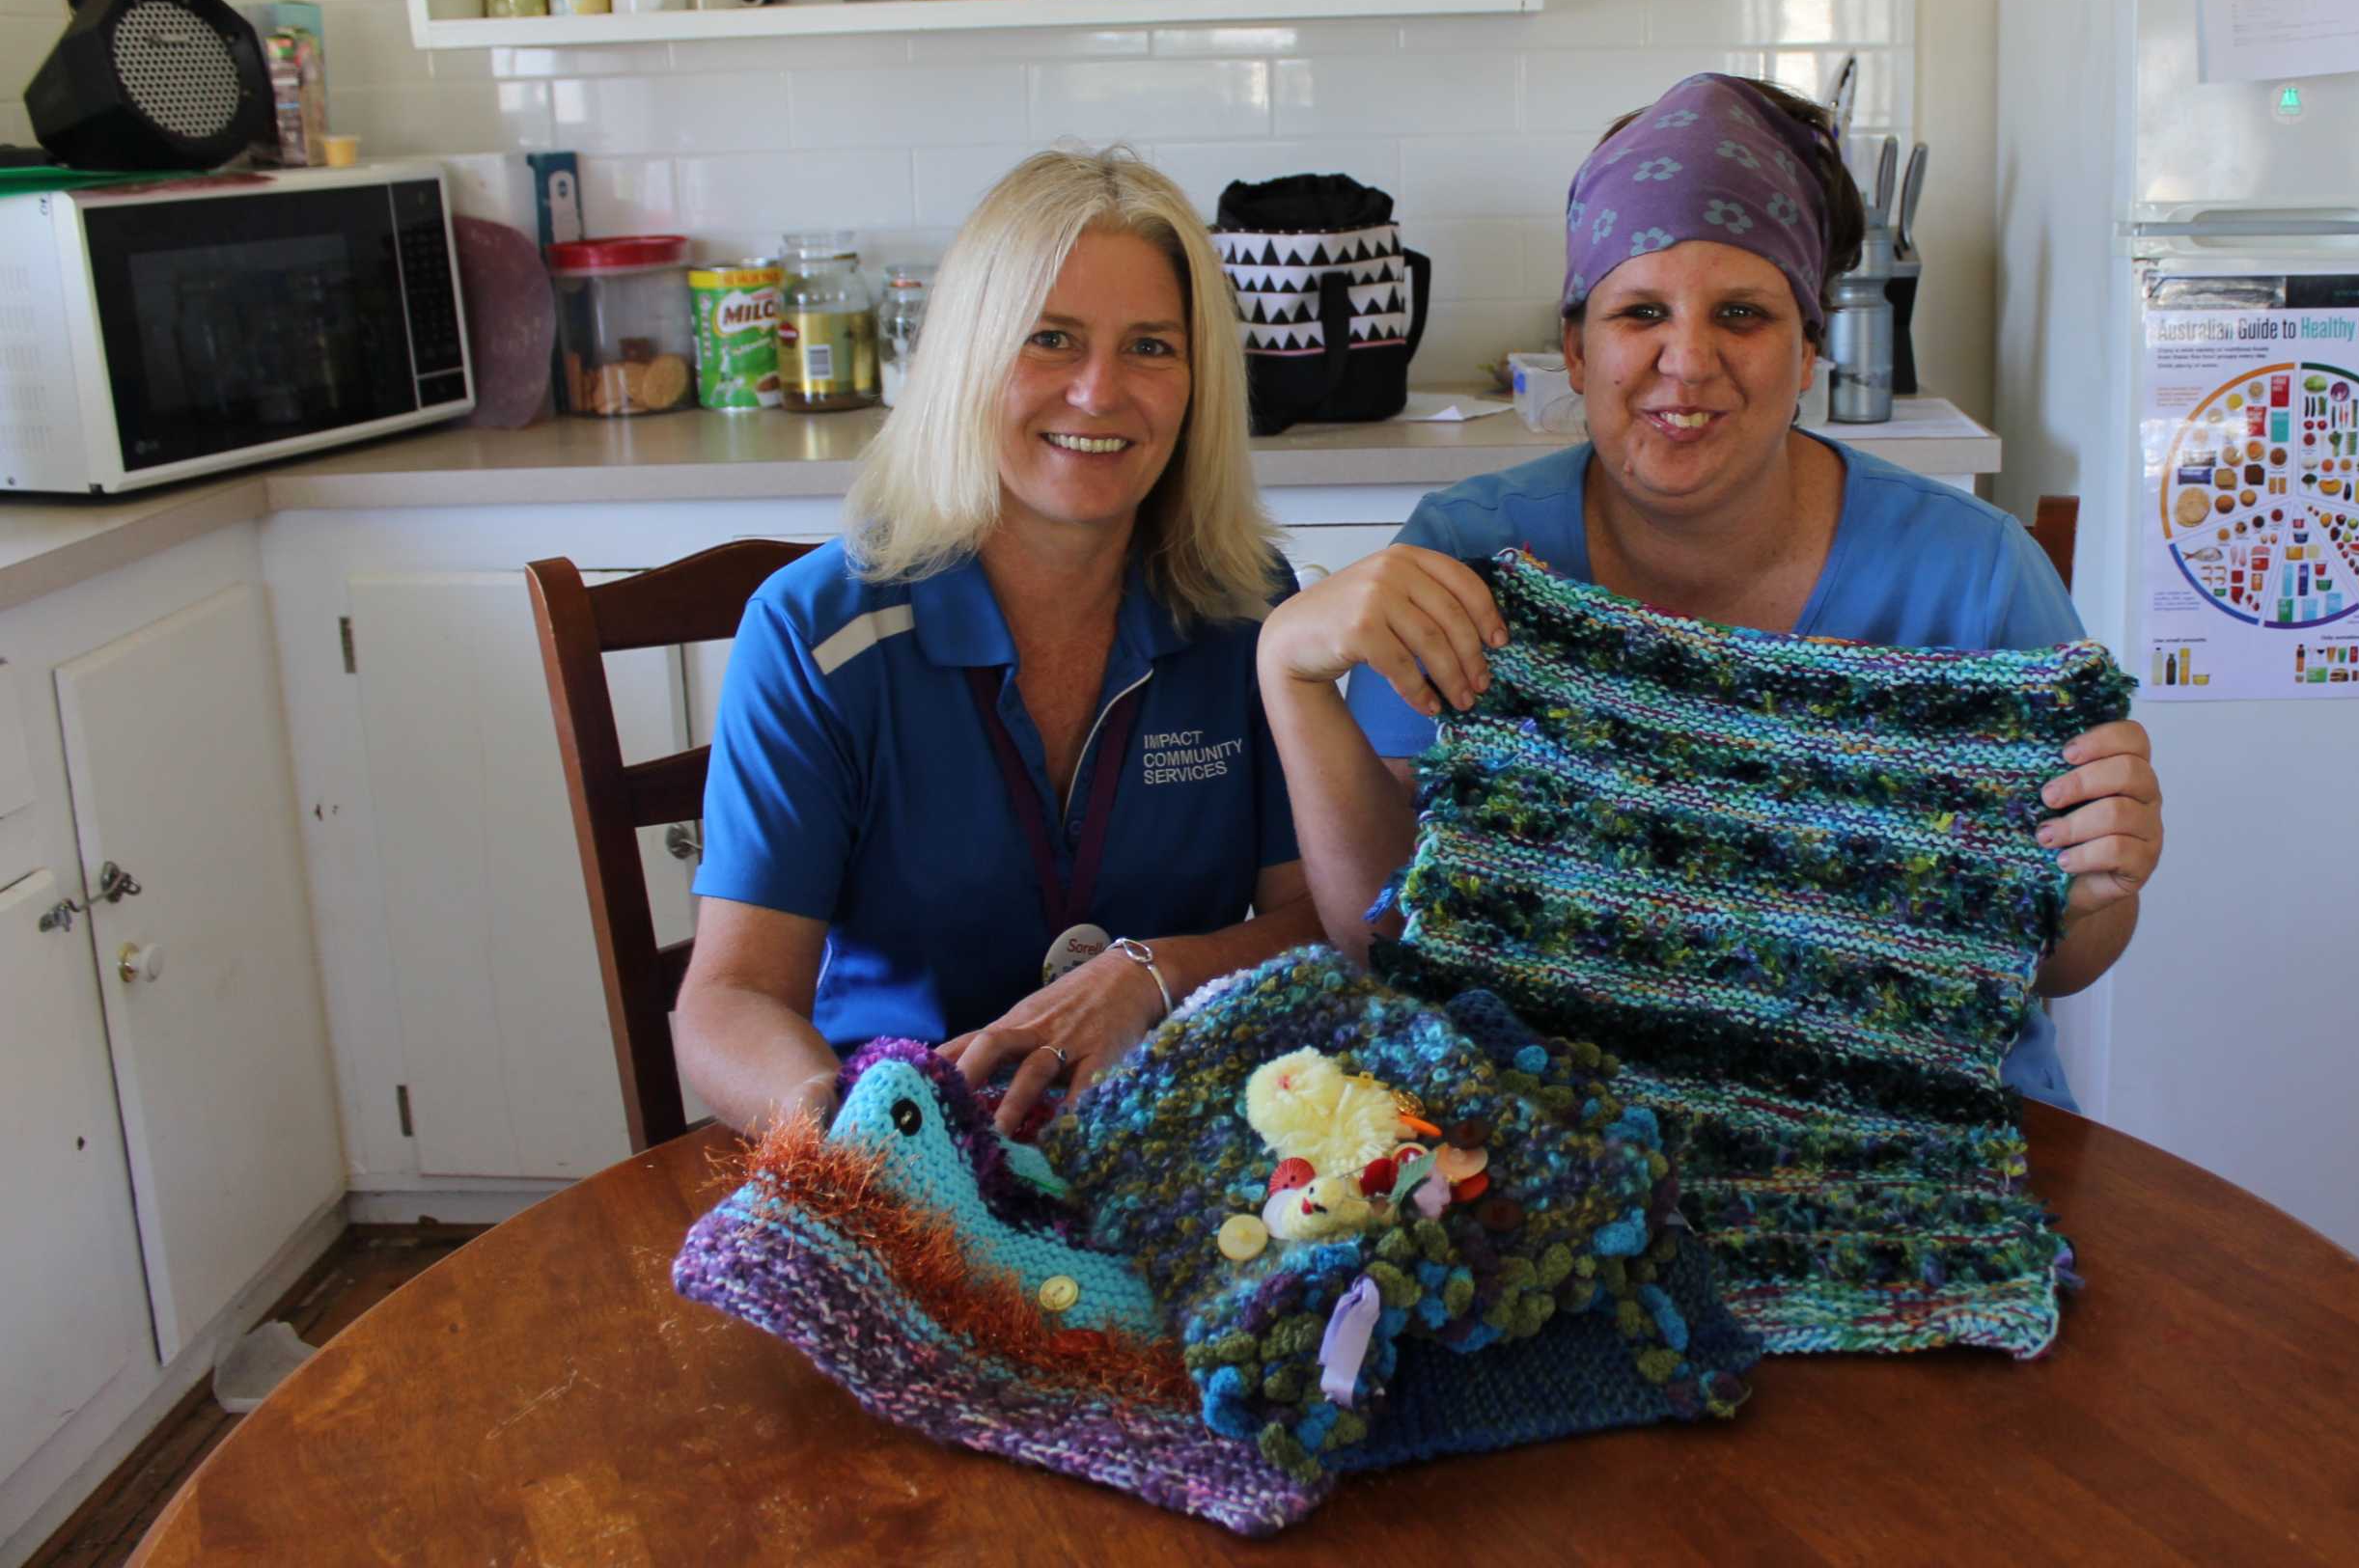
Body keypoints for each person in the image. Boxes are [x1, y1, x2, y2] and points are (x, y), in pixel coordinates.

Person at [1254, 73, 2163, 1109]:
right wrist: (1290, 669)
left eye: (1744, 313)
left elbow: (2062, 958)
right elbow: (1390, 932)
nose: (1687, 359)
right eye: (1640, 311)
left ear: (1810, 346)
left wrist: (2092, 892)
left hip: (1912, 1153)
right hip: (1577, 1147)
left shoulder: (1974, 575)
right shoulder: (1472, 555)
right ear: (1575, 348)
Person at [680, 149, 1319, 1136]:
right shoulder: (812, 632)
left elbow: (1321, 920)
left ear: (1200, 384)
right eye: (1051, 338)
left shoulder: (1253, 611)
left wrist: (1152, 972)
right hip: (897, 1155)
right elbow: (725, 1001)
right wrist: (859, 1138)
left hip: (1171, 1141)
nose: (1099, 391)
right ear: (967, 357)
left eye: (1152, 346)